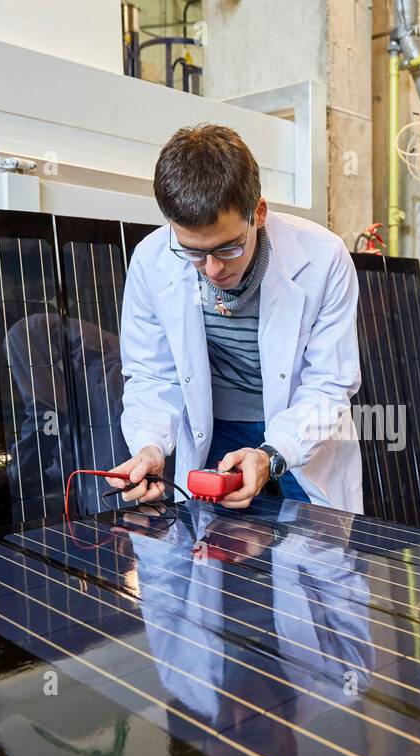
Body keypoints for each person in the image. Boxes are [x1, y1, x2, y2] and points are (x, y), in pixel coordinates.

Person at [107, 124, 363, 512]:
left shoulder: (324, 258)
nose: (210, 269)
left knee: (316, 557)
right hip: (217, 431)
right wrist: (150, 444)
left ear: (258, 213)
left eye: (227, 248)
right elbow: (152, 375)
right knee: (218, 552)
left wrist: (272, 454)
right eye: (192, 251)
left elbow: (329, 383)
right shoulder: (151, 261)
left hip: (303, 430)